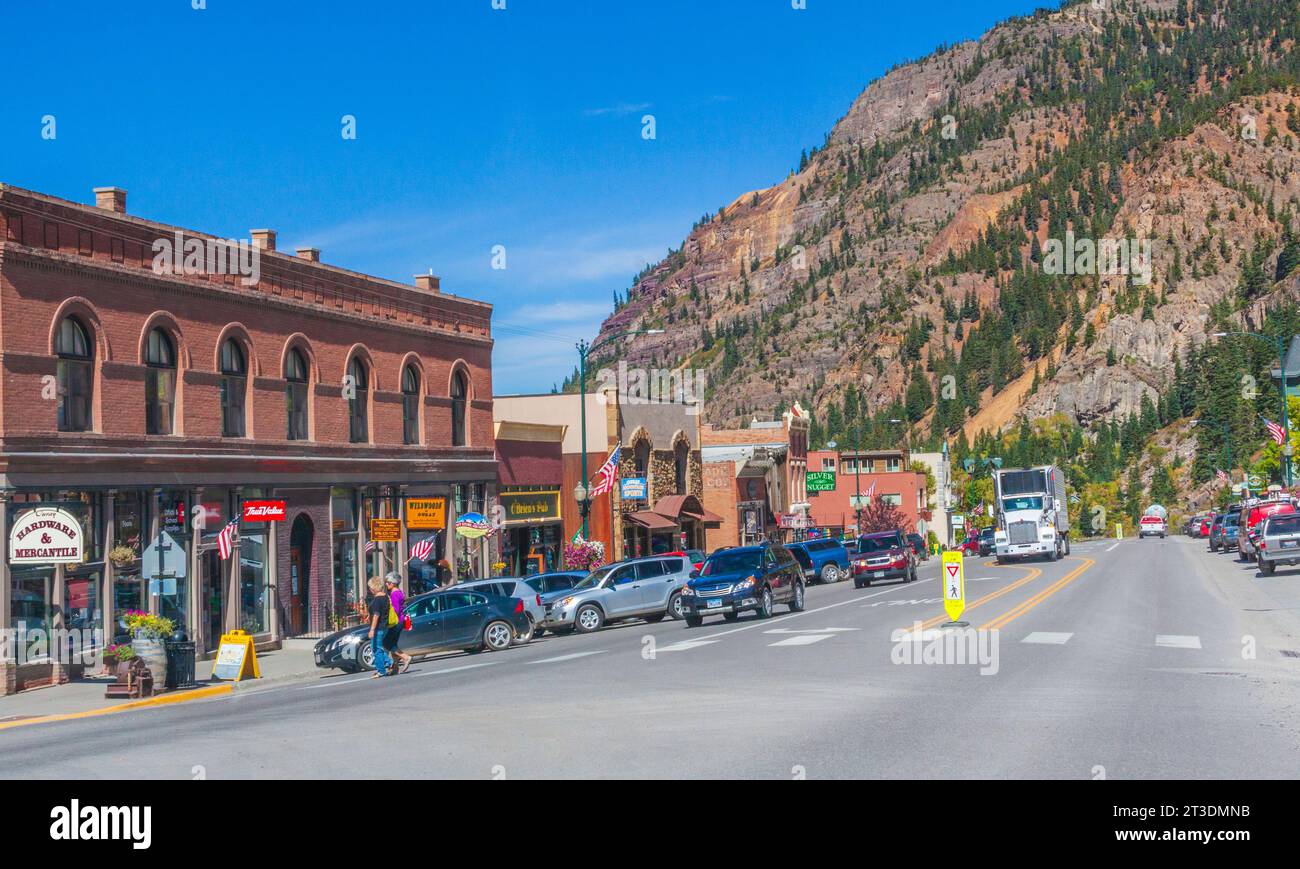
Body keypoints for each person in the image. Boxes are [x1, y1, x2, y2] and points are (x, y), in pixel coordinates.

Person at [365, 576, 393, 678]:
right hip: (384, 626)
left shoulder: (377, 600)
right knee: (376, 648)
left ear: (373, 588)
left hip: (378, 628)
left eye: (370, 587)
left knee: (377, 649)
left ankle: (381, 670)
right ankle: (390, 663)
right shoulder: (385, 597)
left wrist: (372, 629)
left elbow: (377, 614)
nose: (369, 589)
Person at [383, 572, 411, 674]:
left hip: (395, 621)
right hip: (401, 620)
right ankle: (394, 668)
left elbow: (395, 610)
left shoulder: (394, 594)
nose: (386, 584)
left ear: (393, 583)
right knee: (393, 643)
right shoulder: (400, 592)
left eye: (388, 582)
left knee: (386, 643)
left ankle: (405, 657)